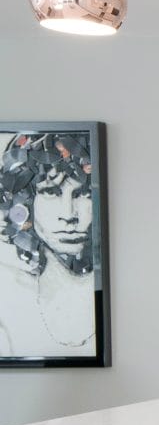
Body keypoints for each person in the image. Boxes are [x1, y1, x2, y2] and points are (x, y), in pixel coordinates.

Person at [0, 131, 99, 356]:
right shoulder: (7, 291)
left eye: (83, 194)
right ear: (25, 201)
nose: (69, 215)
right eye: (51, 193)